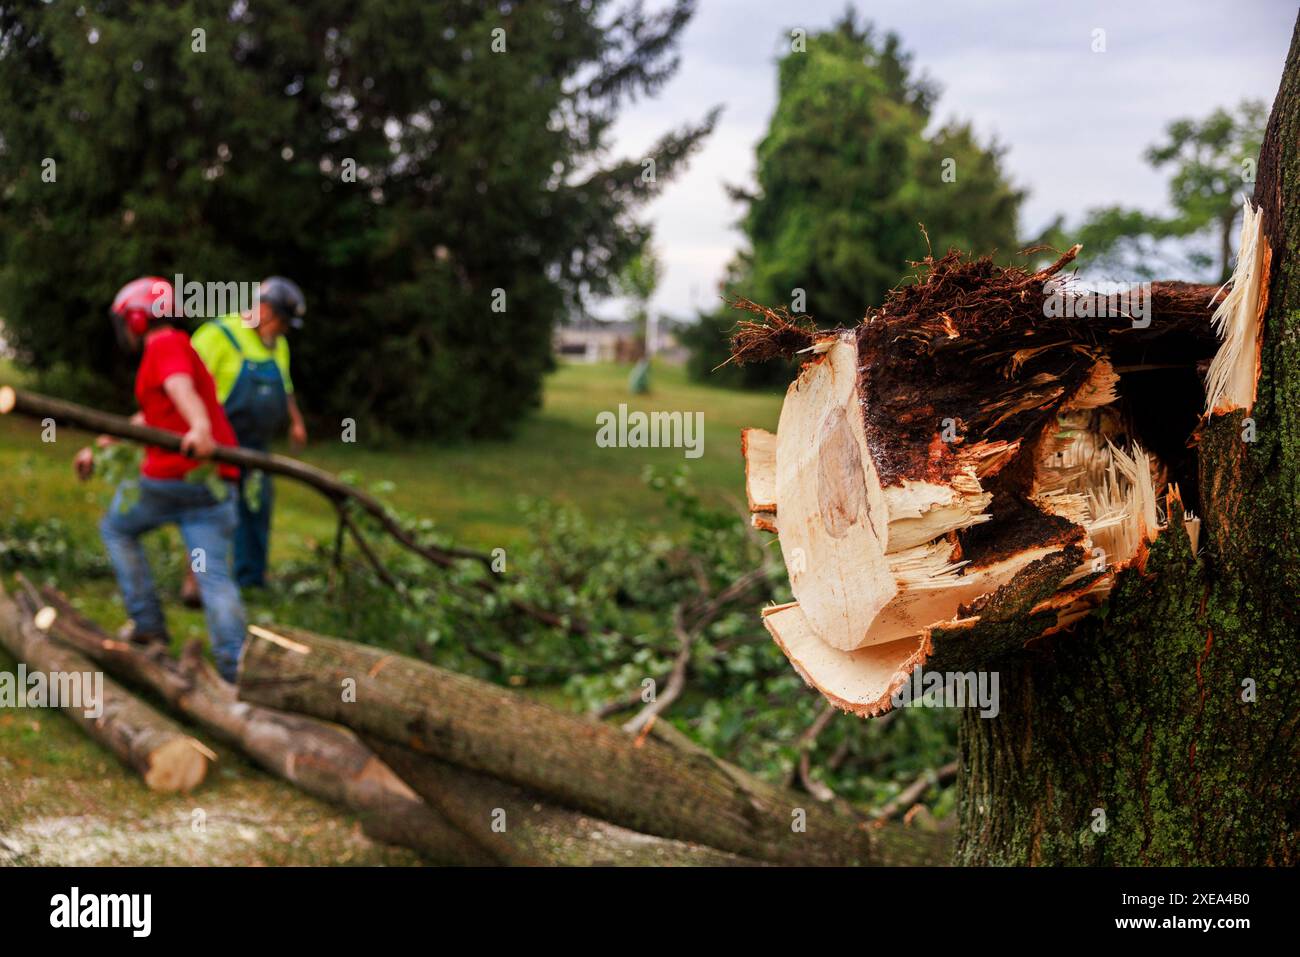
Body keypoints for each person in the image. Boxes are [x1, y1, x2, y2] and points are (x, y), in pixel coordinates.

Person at [74, 277, 247, 682]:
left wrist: (200, 427)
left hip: (172, 478)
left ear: (136, 318)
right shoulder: (179, 346)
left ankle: (148, 625)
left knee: (117, 528)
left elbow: (178, 387)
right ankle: (236, 671)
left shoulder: (164, 345)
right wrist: (104, 447)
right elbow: (152, 416)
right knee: (214, 578)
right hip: (213, 483)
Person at [187, 276, 307, 593]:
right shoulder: (218, 335)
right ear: (264, 310)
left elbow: (286, 386)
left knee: (257, 507)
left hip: (256, 446)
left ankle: (251, 580)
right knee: (212, 511)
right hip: (219, 443)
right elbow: (183, 383)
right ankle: (200, 582)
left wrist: (296, 422)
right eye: (282, 322)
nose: (283, 331)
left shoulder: (278, 346)